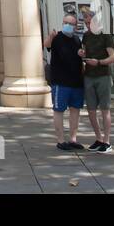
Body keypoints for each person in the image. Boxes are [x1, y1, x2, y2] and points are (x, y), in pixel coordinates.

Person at [44, 12, 86, 152]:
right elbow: (46, 45)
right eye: (65, 22)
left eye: (70, 24)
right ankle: (60, 140)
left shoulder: (76, 40)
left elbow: (80, 58)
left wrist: (82, 55)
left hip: (76, 82)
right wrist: (51, 36)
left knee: (75, 110)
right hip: (60, 81)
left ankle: (73, 139)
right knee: (59, 110)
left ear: (75, 26)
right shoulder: (57, 38)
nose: (67, 25)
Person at [79, 10, 114, 153]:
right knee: (91, 111)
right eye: (86, 22)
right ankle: (98, 138)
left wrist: (99, 62)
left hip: (103, 76)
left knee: (105, 110)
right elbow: (84, 52)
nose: (88, 25)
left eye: (90, 22)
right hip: (89, 75)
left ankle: (107, 141)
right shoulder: (86, 36)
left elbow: (112, 57)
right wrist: (81, 54)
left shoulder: (105, 36)